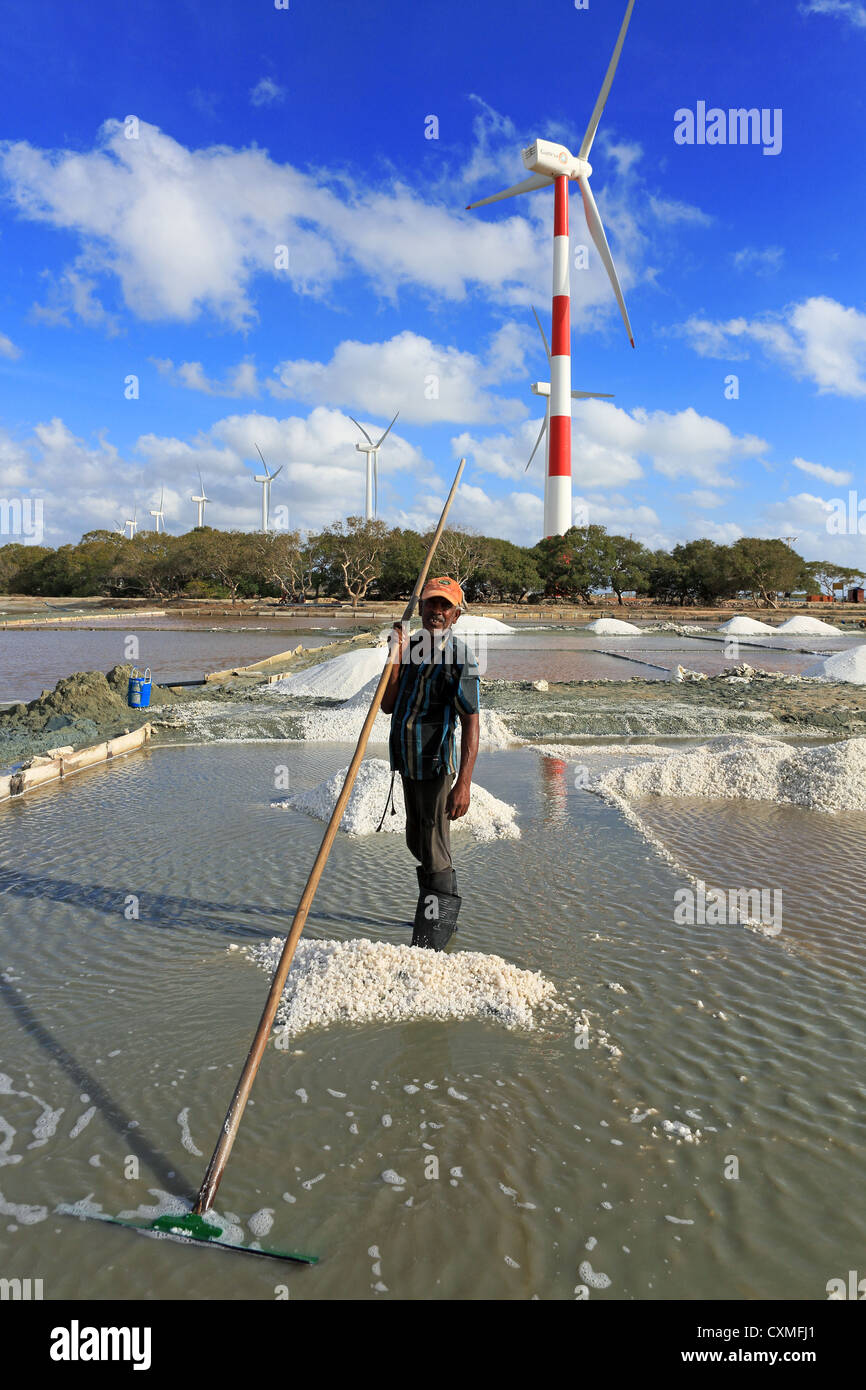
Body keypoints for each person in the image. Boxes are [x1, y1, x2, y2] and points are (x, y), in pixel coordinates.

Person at [380, 576, 480, 950]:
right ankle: (440, 917)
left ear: (456, 615)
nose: (436, 612)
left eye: (445, 607)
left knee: (434, 846)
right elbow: (389, 704)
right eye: (431, 604)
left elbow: (471, 719)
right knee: (416, 840)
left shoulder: (460, 657)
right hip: (407, 761)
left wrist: (464, 784)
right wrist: (393, 654)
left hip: (435, 764)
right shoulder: (413, 647)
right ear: (420, 608)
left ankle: (432, 939)